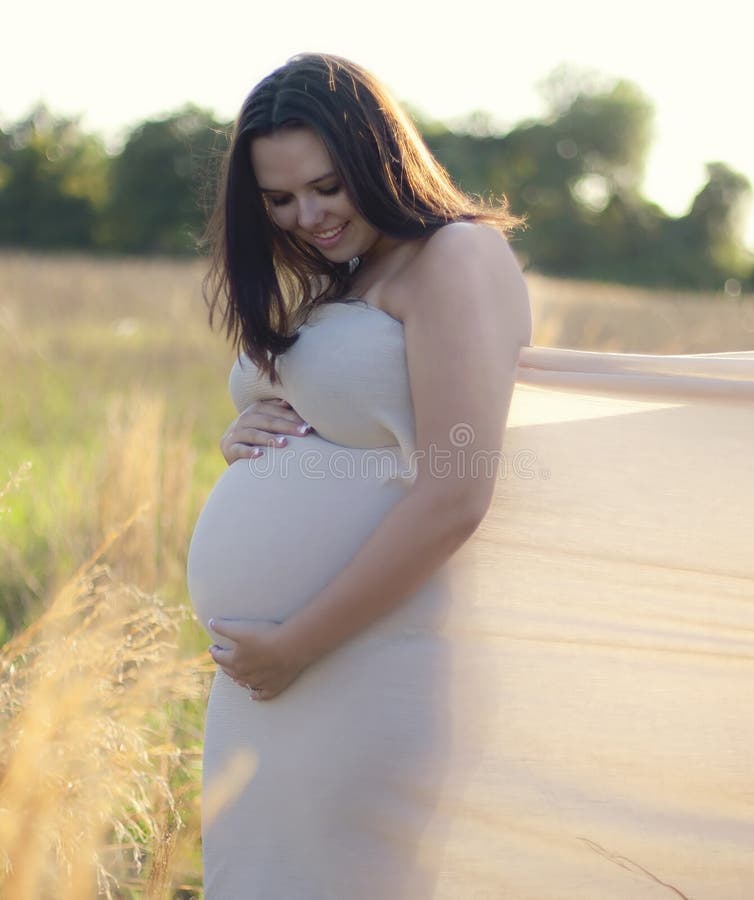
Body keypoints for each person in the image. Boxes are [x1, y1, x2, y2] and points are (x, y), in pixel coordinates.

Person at [186, 51, 532, 898]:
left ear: (380, 159)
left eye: (328, 186)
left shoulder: (452, 257)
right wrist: (254, 438)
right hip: (274, 672)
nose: (307, 214)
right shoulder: (347, 275)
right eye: (280, 199)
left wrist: (295, 645)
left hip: (364, 655)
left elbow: (456, 488)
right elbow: (358, 427)